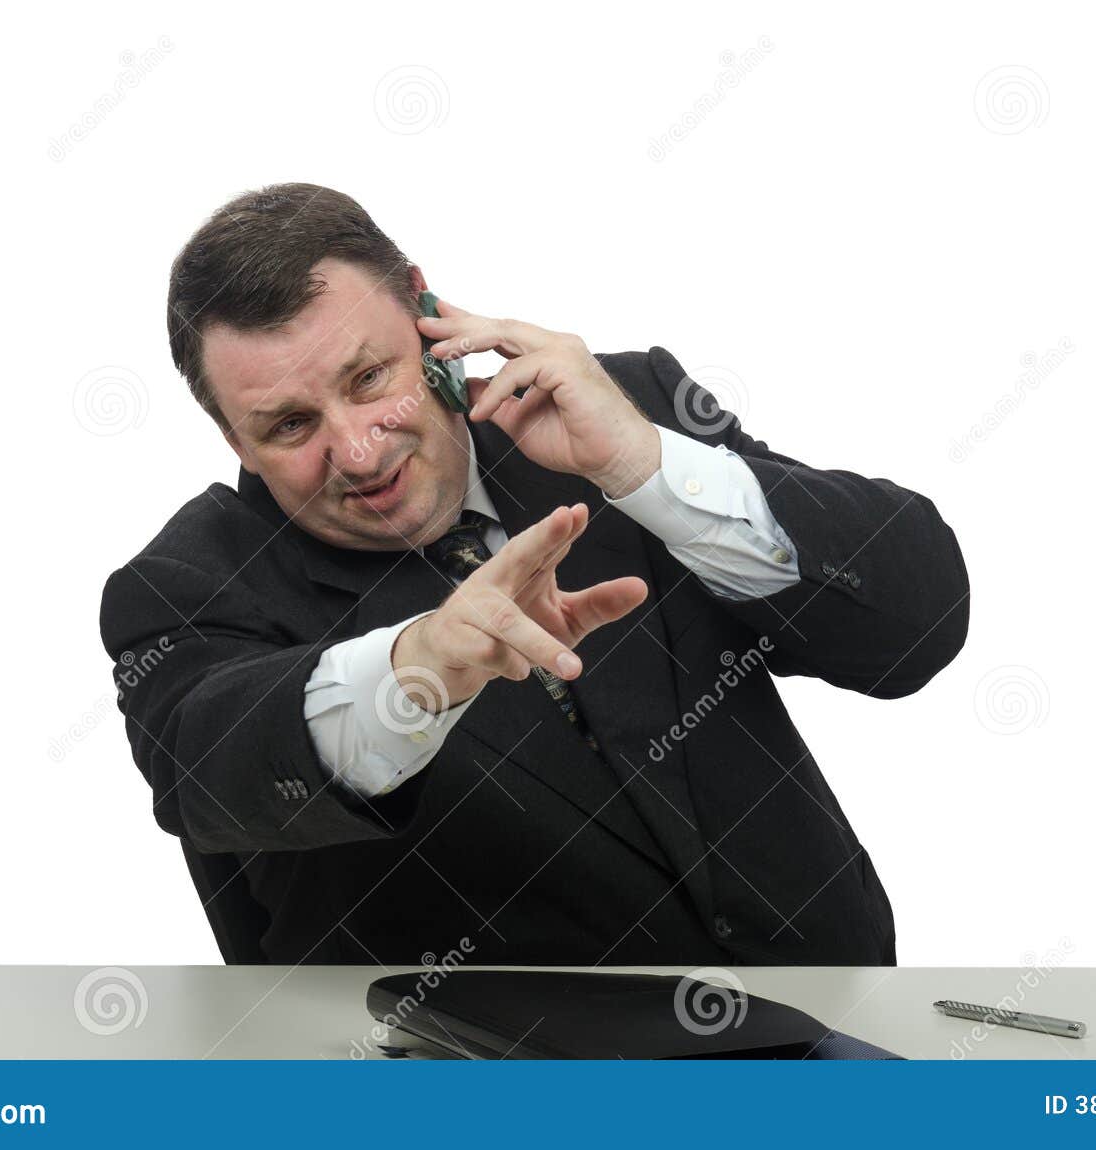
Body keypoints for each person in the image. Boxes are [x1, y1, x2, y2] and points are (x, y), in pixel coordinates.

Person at [98, 183, 970, 966]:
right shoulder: (182, 583)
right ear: (230, 439)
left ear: (425, 315)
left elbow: (916, 625)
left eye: (370, 377)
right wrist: (419, 671)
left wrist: (644, 467)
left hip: (833, 1039)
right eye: (290, 426)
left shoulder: (630, 405)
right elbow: (214, 774)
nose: (359, 452)